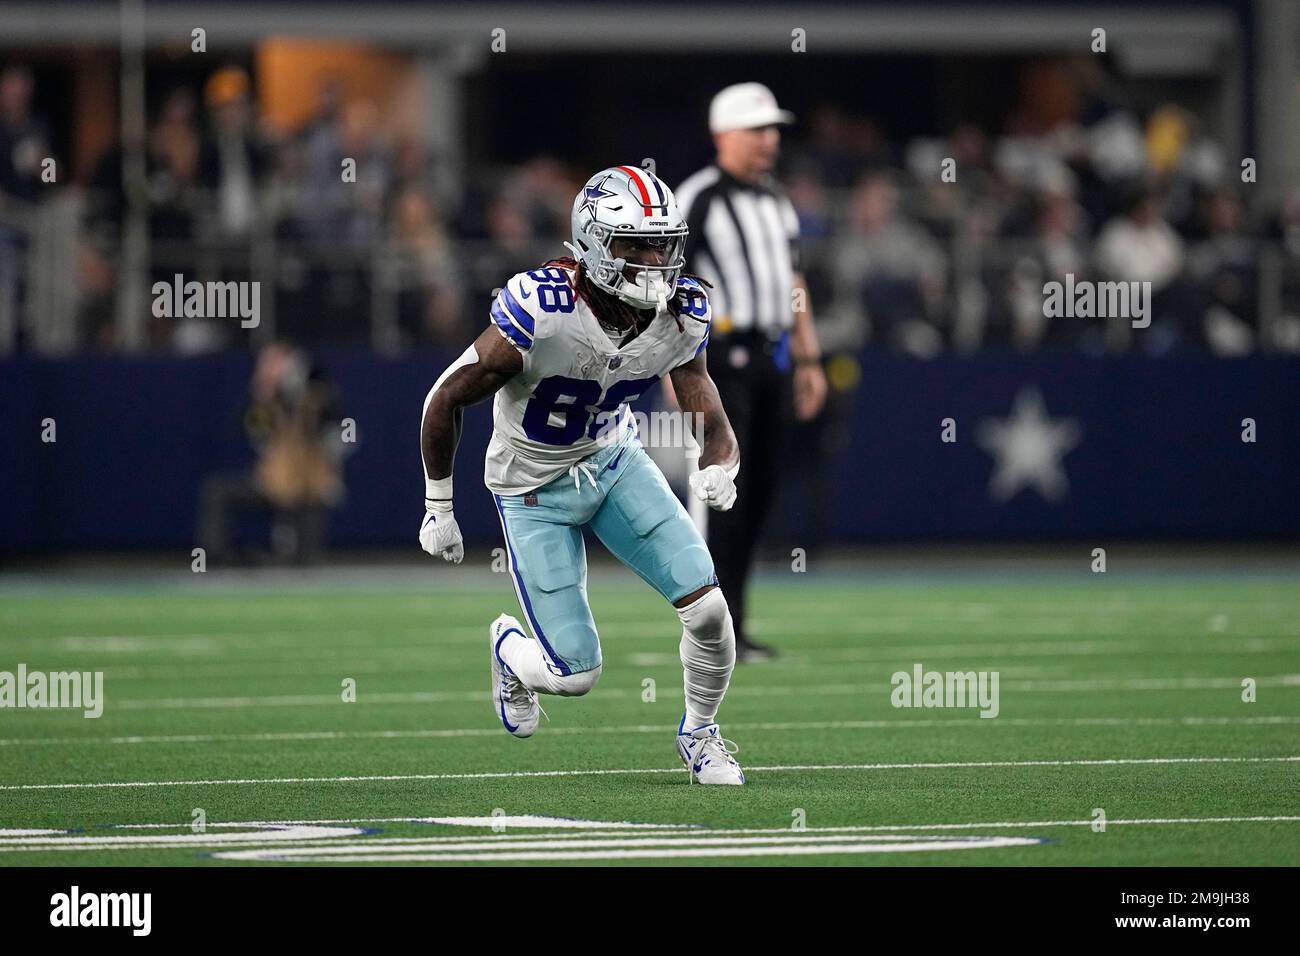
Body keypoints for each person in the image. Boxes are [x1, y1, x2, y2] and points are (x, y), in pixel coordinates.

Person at [418, 165, 746, 784]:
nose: (654, 260)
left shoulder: (682, 312)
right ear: (594, 243)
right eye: (635, 244)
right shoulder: (541, 309)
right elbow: (444, 398)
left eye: (662, 243)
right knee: (575, 673)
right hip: (533, 488)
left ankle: (701, 735)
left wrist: (722, 462)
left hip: (612, 462)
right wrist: (439, 504)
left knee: (709, 611)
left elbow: (700, 392)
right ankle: (510, 651)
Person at [674, 82, 827, 660]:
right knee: (717, 496)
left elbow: (794, 286)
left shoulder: (775, 202)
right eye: (757, 129)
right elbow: (672, 288)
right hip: (720, 362)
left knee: (759, 492)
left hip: (770, 360)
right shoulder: (698, 198)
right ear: (724, 134)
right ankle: (703, 628)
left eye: (773, 130)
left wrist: (807, 357)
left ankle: (733, 625)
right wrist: (677, 371)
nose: (769, 140)